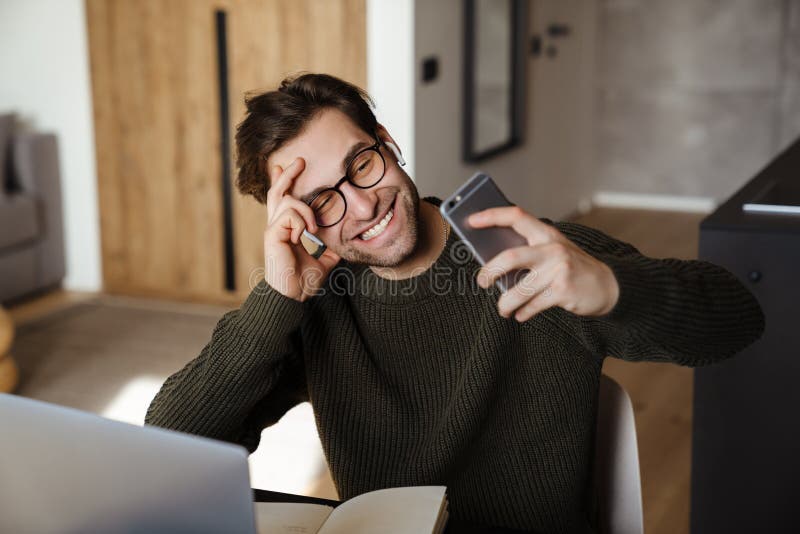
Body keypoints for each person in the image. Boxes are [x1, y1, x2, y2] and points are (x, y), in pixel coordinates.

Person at [145, 73, 765, 533]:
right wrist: (276, 301)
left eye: (361, 164)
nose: (362, 208)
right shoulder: (312, 307)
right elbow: (169, 445)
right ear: (298, 224)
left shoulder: (532, 255)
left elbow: (738, 318)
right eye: (320, 202)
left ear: (386, 142)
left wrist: (609, 288)